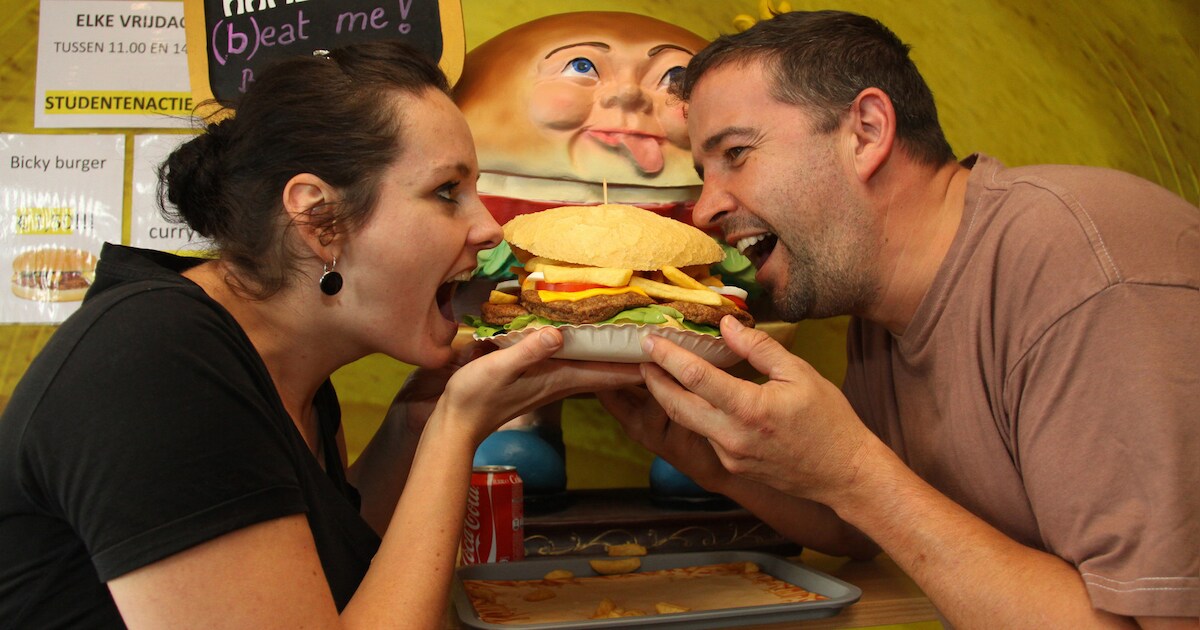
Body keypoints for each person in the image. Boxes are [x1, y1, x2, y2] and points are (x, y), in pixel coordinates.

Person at [0, 41, 641, 628]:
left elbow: (335, 578)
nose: (488, 229)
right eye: (447, 192)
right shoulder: (156, 362)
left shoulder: (291, 370)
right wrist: (457, 429)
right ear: (319, 219)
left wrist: (416, 425)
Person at [597, 10, 1199, 628]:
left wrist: (854, 472)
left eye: (736, 153)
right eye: (704, 173)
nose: (704, 210)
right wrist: (703, 451)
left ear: (865, 131)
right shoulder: (879, 297)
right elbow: (857, 526)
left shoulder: (1089, 274)